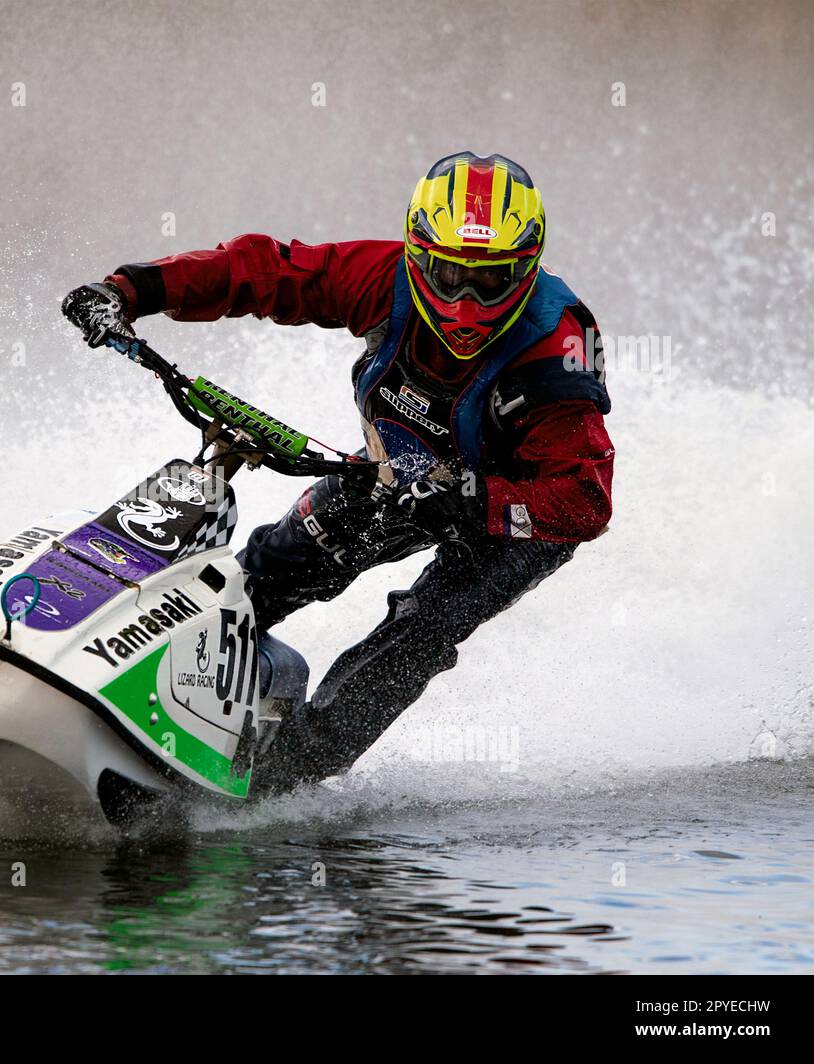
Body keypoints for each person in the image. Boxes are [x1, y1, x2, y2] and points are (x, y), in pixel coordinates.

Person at [62, 151, 614, 795]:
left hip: (514, 514)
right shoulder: (380, 276)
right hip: (398, 473)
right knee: (269, 570)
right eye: (447, 273)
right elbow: (265, 271)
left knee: (420, 628)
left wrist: (470, 496)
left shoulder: (556, 349)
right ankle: (126, 673)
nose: (464, 303)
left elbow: (586, 502)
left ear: (528, 268)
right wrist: (132, 290)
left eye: (488, 282)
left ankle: (281, 784)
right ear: (416, 254)